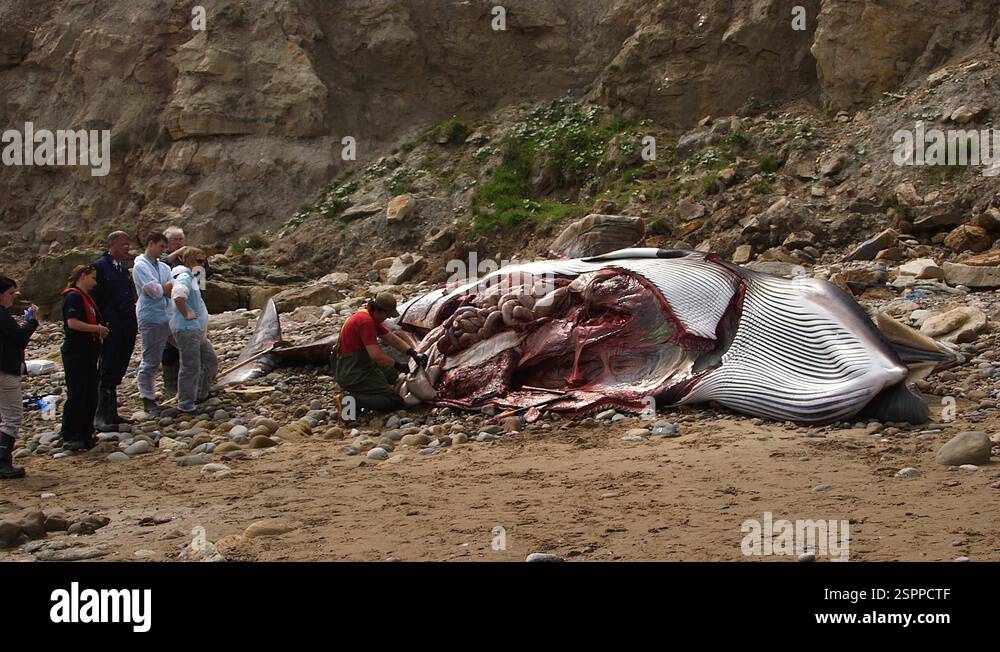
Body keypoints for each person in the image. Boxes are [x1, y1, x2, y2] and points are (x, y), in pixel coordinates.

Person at [333, 292, 427, 412]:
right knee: (395, 402)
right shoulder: (366, 322)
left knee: (392, 376)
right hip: (353, 372)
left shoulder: (367, 315)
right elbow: (377, 356)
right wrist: (400, 366)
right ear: (379, 311)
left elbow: (390, 337)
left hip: (355, 365)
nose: (387, 318)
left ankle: (360, 392)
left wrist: (412, 353)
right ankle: (349, 400)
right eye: (387, 315)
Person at [91, 231, 137, 429]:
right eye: (124, 244)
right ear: (113, 244)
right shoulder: (100, 267)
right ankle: (101, 415)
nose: (127, 248)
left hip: (126, 322)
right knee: (108, 365)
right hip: (111, 323)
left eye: (128, 245)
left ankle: (112, 412)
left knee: (120, 363)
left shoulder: (122, 269)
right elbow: (96, 297)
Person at [59, 265, 108, 451]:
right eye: (93, 278)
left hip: (89, 351)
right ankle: (71, 434)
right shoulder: (73, 296)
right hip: (77, 351)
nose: (95, 283)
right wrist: (98, 329)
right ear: (83, 276)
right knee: (78, 393)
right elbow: (73, 323)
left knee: (89, 393)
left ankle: (86, 431)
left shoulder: (85, 297)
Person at [160, 226, 212, 399]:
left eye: (181, 239)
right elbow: (174, 292)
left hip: (194, 323)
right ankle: (184, 398)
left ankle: (198, 391)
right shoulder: (174, 267)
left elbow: (201, 284)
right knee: (182, 359)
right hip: (182, 322)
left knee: (205, 359)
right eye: (175, 239)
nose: (179, 242)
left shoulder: (194, 266)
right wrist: (185, 312)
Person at [169, 247, 218, 412]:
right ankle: (186, 404)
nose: (202, 264)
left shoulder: (194, 276)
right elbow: (178, 294)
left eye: (204, 261)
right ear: (189, 261)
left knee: (210, 361)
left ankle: (199, 394)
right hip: (187, 329)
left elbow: (197, 292)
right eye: (199, 261)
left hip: (196, 330)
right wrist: (186, 313)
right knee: (190, 366)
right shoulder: (184, 276)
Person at [0, 276, 39, 478]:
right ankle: (2, 463)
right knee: (12, 417)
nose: (13, 297)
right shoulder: (2, 315)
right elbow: (19, 338)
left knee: (6, 416)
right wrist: (32, 322)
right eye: (10, 293)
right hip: (5, 371)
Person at [132, 233, 173, 416]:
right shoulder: (140, 266)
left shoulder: (163, 266)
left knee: (184, 348)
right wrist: (164, 288)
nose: (163, 251)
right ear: (151, 244)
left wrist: (164, 288)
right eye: (161, 246)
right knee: (151, 359)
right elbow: (154, 291)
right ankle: (147, 397)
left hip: (168, 315)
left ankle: (178, 386)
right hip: (151, 316)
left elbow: (171, 287)